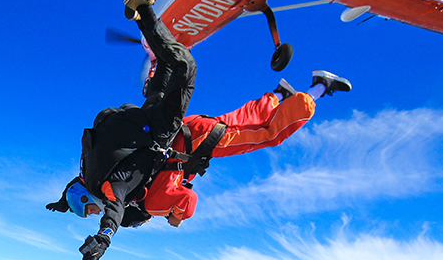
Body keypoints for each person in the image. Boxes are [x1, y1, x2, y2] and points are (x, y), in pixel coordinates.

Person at [45, 0, 196, 260]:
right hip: (144, 118)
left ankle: (143, 8)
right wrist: (64, 202)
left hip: (158, 130)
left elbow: (111, 212)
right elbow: (76, 186)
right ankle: (155, 34)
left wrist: (103, 237)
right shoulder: (87, 172)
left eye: (86, 208)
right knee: (166, 71)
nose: (91, 211)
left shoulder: (108, 188)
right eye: (87, 212)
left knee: (184, 67)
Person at [132, 70, 352, 228]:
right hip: (192, 127)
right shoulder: (135, 183)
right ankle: (279, 95)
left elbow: (189, 200)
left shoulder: (150, 205)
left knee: (269, 136)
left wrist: (177, 218)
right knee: (243, 120)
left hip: (205, 142)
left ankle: (320, 88)